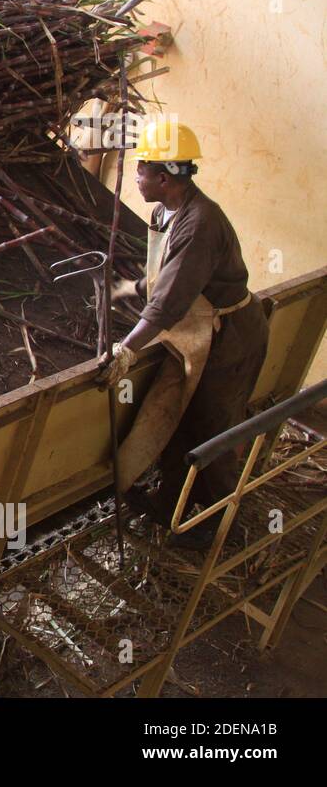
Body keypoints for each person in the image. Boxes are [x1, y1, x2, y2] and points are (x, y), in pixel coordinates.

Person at [104, 119, 268, 547]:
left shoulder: (199, 224)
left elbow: (170, 303)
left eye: (141, 169)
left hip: (228, 336)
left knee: (209, 427)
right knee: (179, 424)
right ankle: (170, 504)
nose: (136, 176)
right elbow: (163, 274)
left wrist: (127, 350)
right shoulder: (165, 211)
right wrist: (132, 287)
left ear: (163, 176)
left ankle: (221, 527)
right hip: (197, 327)